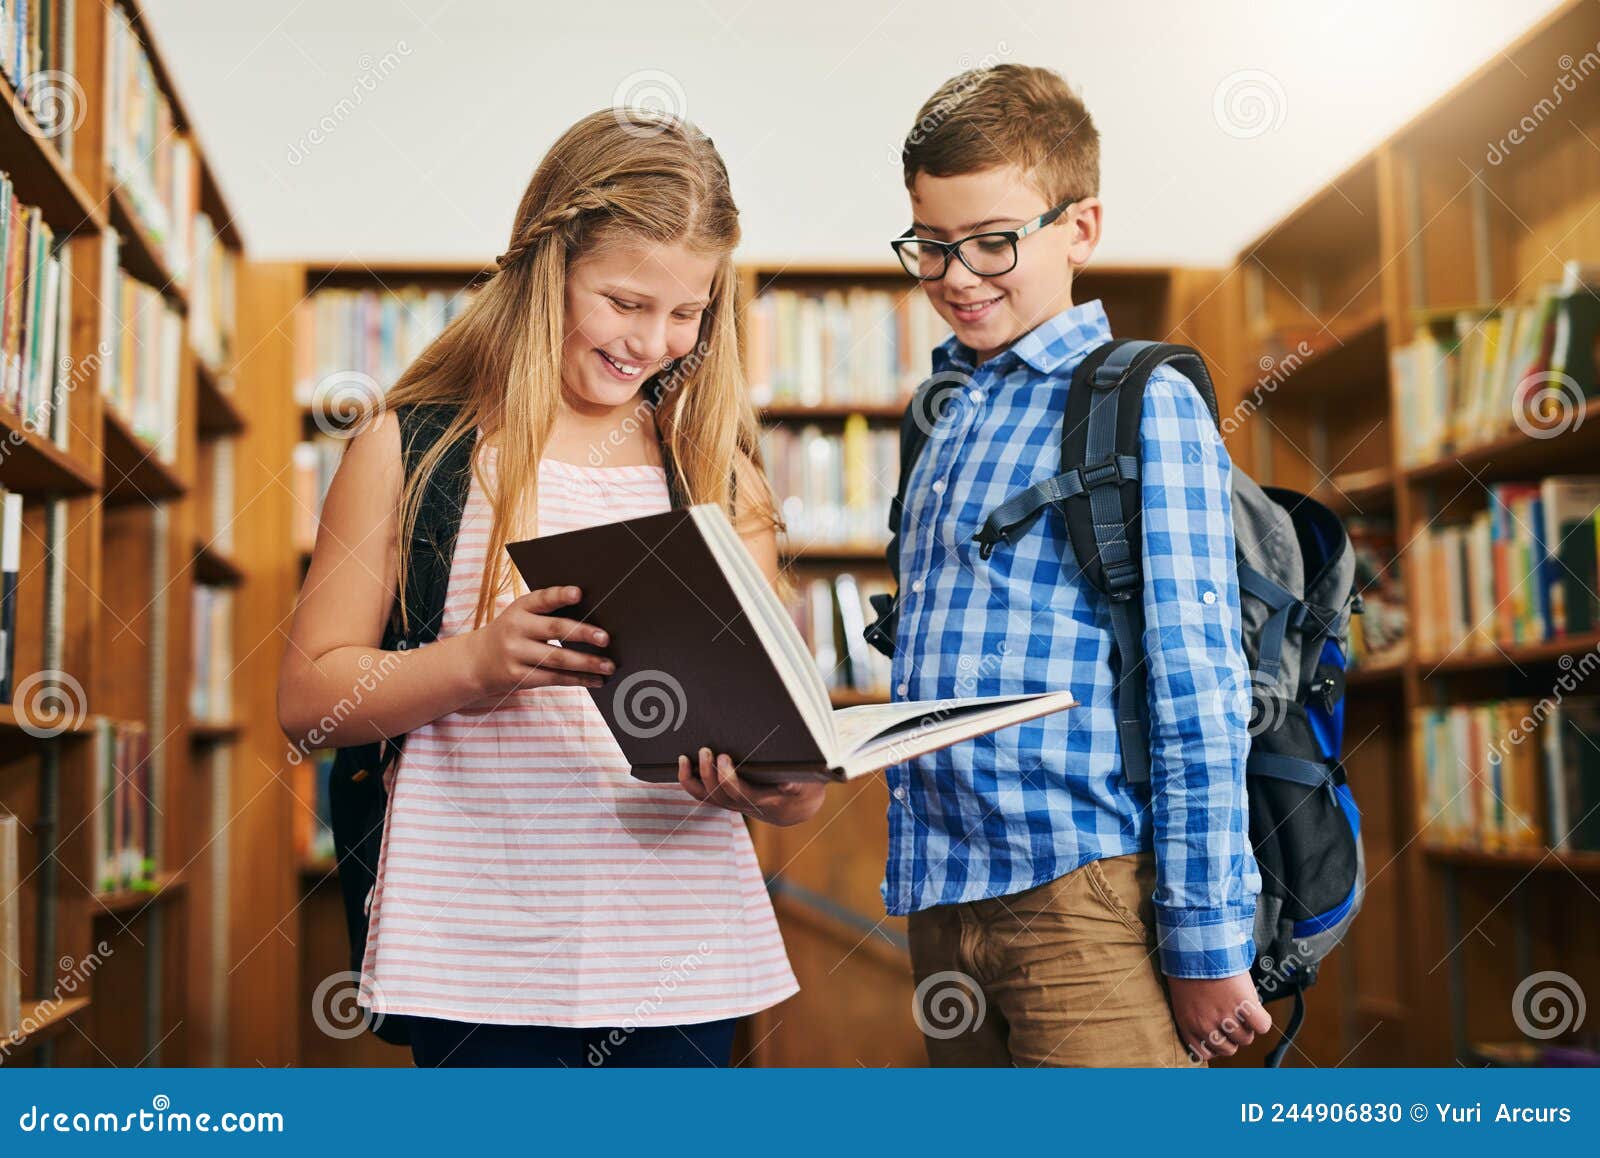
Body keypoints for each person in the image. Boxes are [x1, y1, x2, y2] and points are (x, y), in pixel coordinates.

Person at [277, 109, 822, 1068]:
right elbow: (308, 704)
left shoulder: (713, 475)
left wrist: (777, 787)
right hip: (473, 946)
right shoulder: (414, 451)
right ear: (547, 269)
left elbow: (788, 763)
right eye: (623, 302)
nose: (654, 341)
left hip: (677, 947)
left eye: (687, 312)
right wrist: (475, 664)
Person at [883, 64, 1270, 1066]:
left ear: (1079, 230)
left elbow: (1198, 683)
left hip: (1084, 899)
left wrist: (1205, 939)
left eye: (992, 243)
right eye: (929, 246)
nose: (957, 276)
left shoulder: (1141, 403)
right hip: (943, 895)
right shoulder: (939, 415)